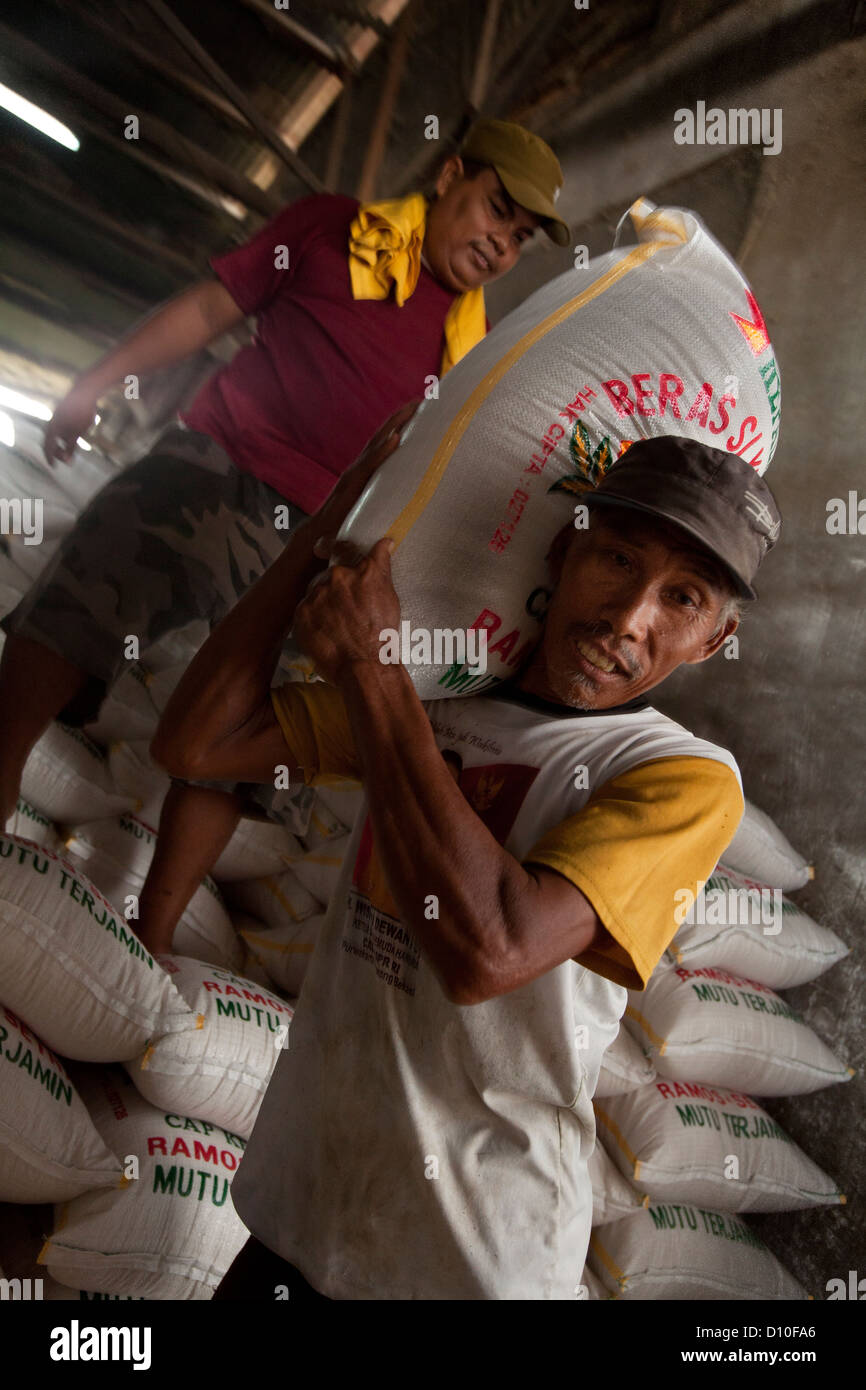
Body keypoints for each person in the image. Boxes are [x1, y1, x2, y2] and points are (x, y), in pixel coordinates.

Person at [150, 433, 782, 1300]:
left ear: (713, 639)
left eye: (681, 598)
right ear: (565, 551)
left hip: (469, 1259)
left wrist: (374, 671)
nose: (628, 617)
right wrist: (326, 536)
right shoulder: (439, 701)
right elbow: (200, 740)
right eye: (616, 560)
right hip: (301, 1211)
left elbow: (489, 950)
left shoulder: (679, 777)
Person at [0, 119, 570, 955]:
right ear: (450, 175)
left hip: (322, 547)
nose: (500, 245)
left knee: (245, 737)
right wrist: (95, 382)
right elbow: (207, 306)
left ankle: (148, 936)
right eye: (495, 211)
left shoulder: (471, 353)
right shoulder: (332, 228)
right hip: (215, 468)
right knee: (78, 606)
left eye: (519, 238)